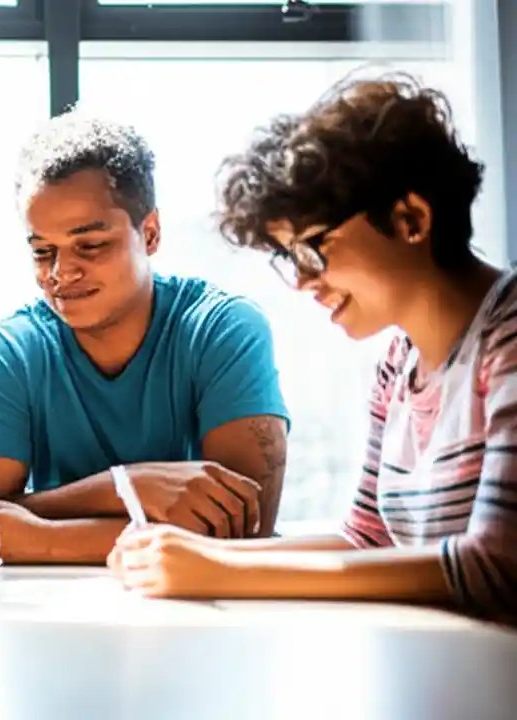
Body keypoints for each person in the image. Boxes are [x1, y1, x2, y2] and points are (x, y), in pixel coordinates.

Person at [111, 73, 516, 621]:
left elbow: (497, 566)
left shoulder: (508, 337)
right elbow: (368, 540)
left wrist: (224, 570)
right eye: (291, 259)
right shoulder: (399, 365)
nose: (303, 282)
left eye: (314, 249)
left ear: (410, 219)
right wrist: (205, 555)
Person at [0, 111, 291, 564]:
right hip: (51, 608)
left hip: (201, 608)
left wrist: (35, 531)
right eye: (42, 252)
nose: (61, 273)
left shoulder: (222, 329)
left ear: (150, 233)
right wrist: (130, 486)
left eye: (90, 245)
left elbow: (244, 527)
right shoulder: (12, 350)